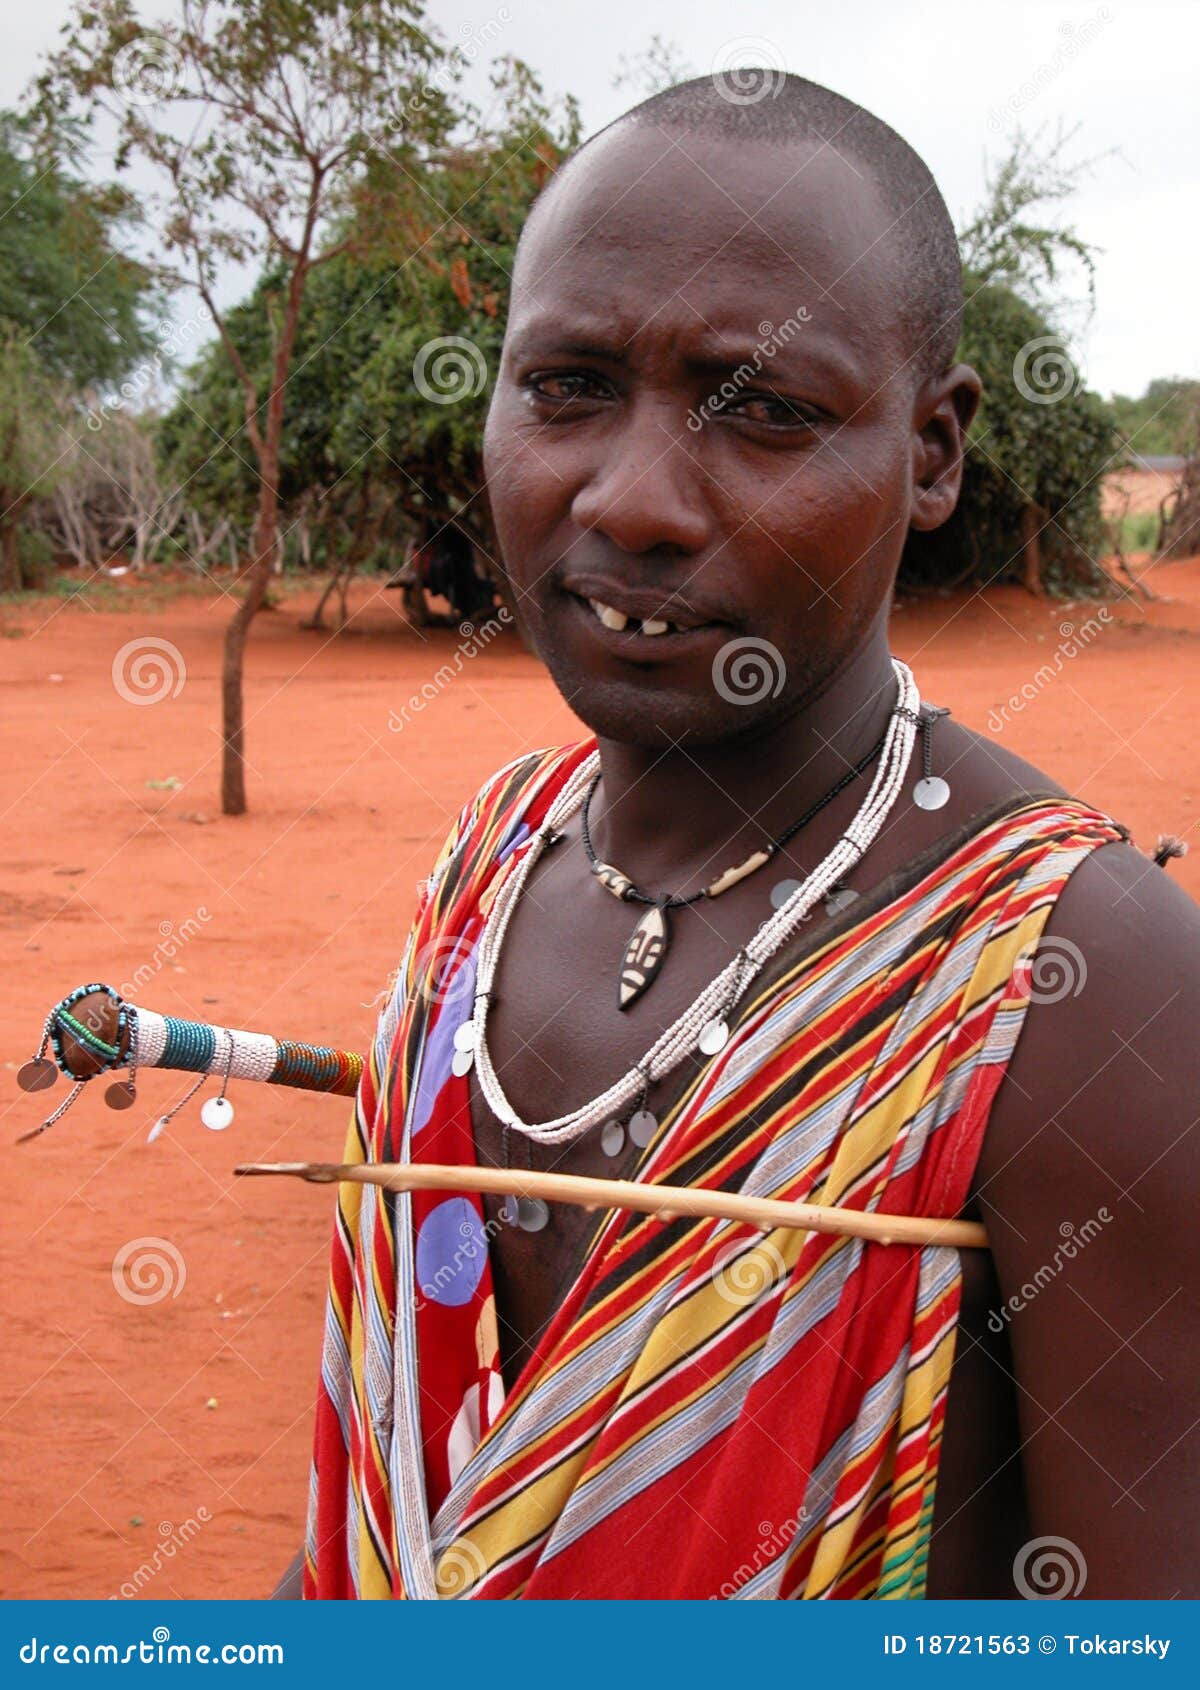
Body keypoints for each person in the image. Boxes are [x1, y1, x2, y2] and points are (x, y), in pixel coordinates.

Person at [281, 74, 1200, 1599]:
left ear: (933, 451)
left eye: (765, 409)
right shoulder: (487, 868)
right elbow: (372, 1511)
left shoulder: (1089, 986)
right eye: (567, 385)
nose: (633, 498)